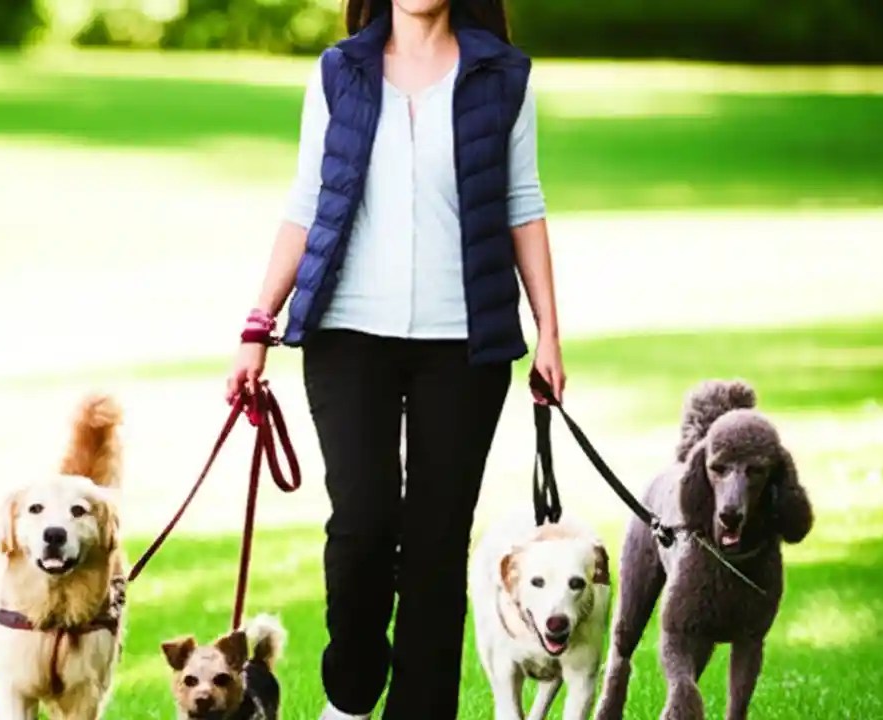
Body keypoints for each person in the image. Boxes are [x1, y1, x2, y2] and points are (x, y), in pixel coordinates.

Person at [225, 1, 565, 717]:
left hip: (464, 343)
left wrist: (549, 332)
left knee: (438, 547)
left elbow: (523, 203)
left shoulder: (503, 77)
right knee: (365, 527)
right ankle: (350, 694)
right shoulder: (339, 71)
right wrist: (260, 320)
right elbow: (308, 198)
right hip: (347, 334)